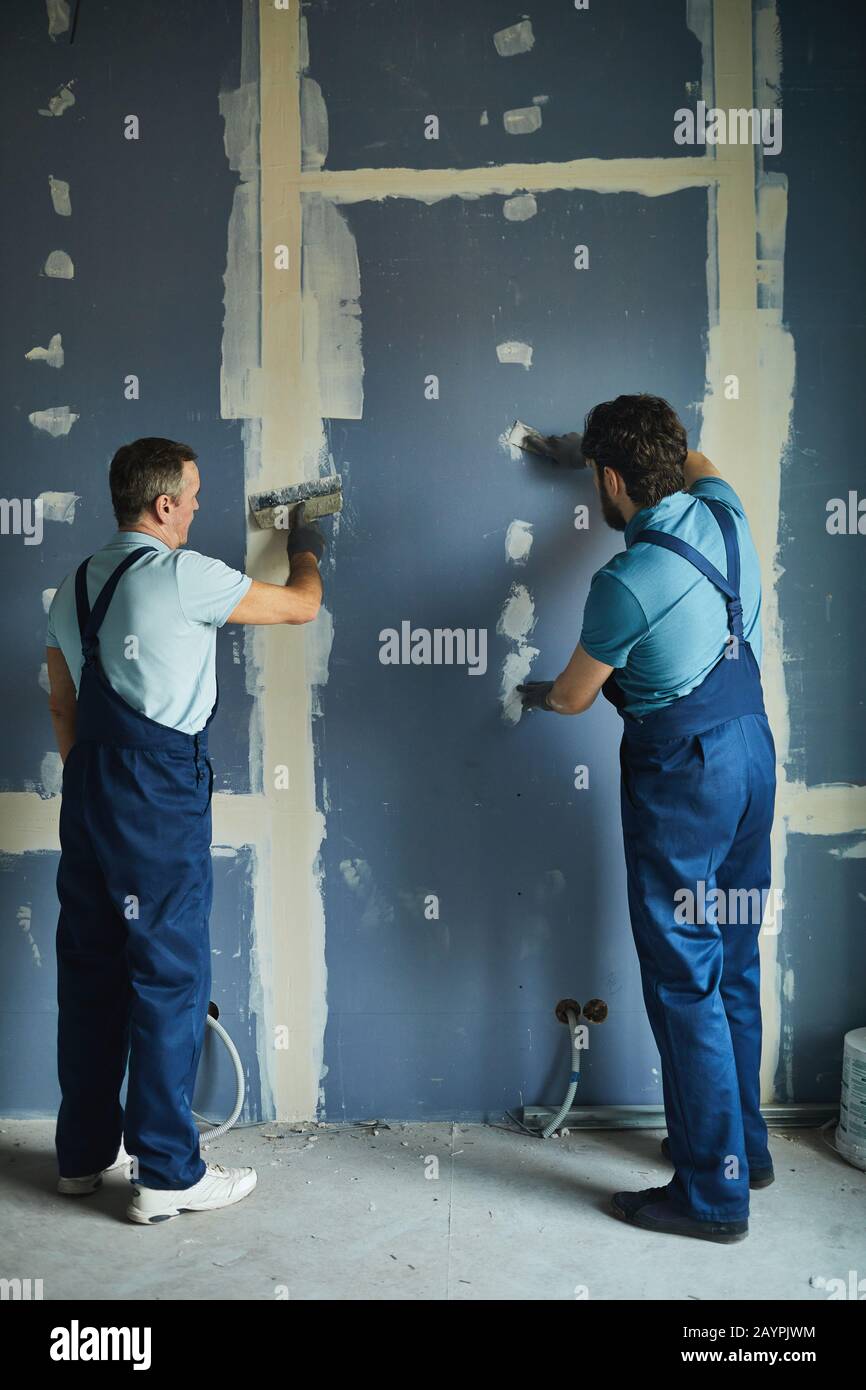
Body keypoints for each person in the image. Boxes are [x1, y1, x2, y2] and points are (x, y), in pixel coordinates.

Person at [45, 436, 325, 1225]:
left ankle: (83, 1158)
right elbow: (300, 606)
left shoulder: (72, 587)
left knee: (91, 969)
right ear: (163, 505)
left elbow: (63, 701)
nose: (199, 509)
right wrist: (307, 545)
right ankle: (167, 1176)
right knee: (169, 976)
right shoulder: (181, 573)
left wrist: (96, 783)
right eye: (194, 497)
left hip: (91, 786)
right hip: (157, 791)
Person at [519, 394, 776, 1244]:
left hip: (686, 783)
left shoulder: (625, 582)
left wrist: (534, 694)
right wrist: (599, 450)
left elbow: (571, 694)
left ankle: (711, 1195)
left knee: (684, 981)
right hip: (752, 758)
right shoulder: (726, 513)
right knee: (731, 961)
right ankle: (746, 1151)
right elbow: (694, 462)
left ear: (611, 479)